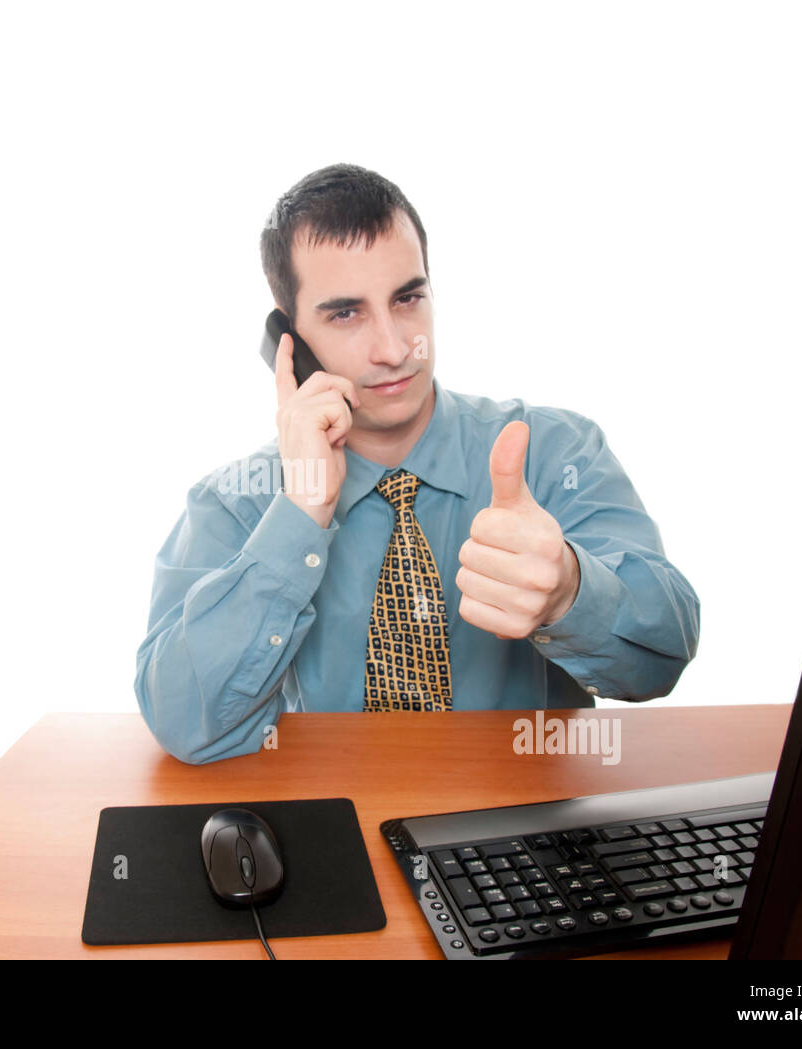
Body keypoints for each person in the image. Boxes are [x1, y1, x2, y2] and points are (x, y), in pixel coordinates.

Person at [134, 163, 700, 764]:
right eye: (345, 313)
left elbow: (664, 654)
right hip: (335, 824)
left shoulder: (553, 451)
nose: (395, 348)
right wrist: (301, 511)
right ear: (288, 339)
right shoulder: (236, 501)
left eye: (408, 299)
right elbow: (184, 723)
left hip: (528, 835)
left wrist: (570, 591)